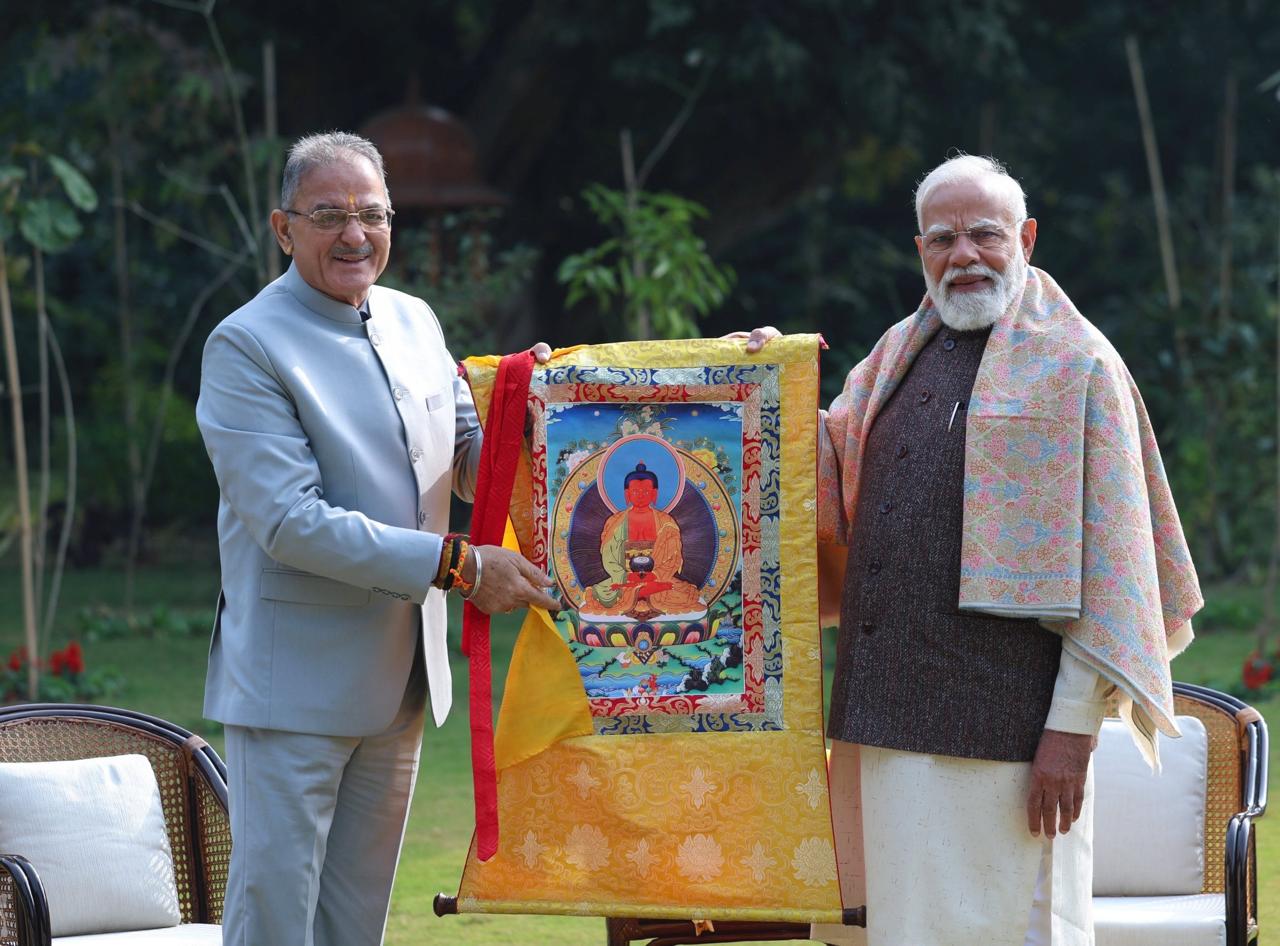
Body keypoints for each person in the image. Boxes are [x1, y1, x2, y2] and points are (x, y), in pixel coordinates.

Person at [747, 154, 1202, 946]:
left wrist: (1070, 731)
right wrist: (760, 385)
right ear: (920, 250)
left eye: (985, 235)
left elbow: (1115, 570)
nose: (964, 257)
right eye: (942, 239)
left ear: (1024, 236)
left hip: (1006, 738)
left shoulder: (1080, 367)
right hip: (880, 724)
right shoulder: (898, 350)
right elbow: (826, 464)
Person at [195, 131, 560, 946]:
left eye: (372, 213)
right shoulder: (246, 345)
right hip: (292, 690)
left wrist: (529, 407)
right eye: (328, 215)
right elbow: (290, 522)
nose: (355, 234)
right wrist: (459, 565)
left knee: (356, 927)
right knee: (276, 925)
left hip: (400, 683)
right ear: (283, 228)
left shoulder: (414, 319)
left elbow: (469, 463)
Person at [585, 462, 704, 618]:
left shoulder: (666, 522)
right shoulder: (615, 522)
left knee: (685, 594)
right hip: (624, 580)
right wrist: (625, 576)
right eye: (635, 491)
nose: (640, 495)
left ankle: (643, 593)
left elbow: (673, 558)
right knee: (598, 595)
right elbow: (609, 557)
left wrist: (654, 575)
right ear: (627, 494)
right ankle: (639, 593)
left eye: (646, 491)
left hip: (657, 579)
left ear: (654, 494)